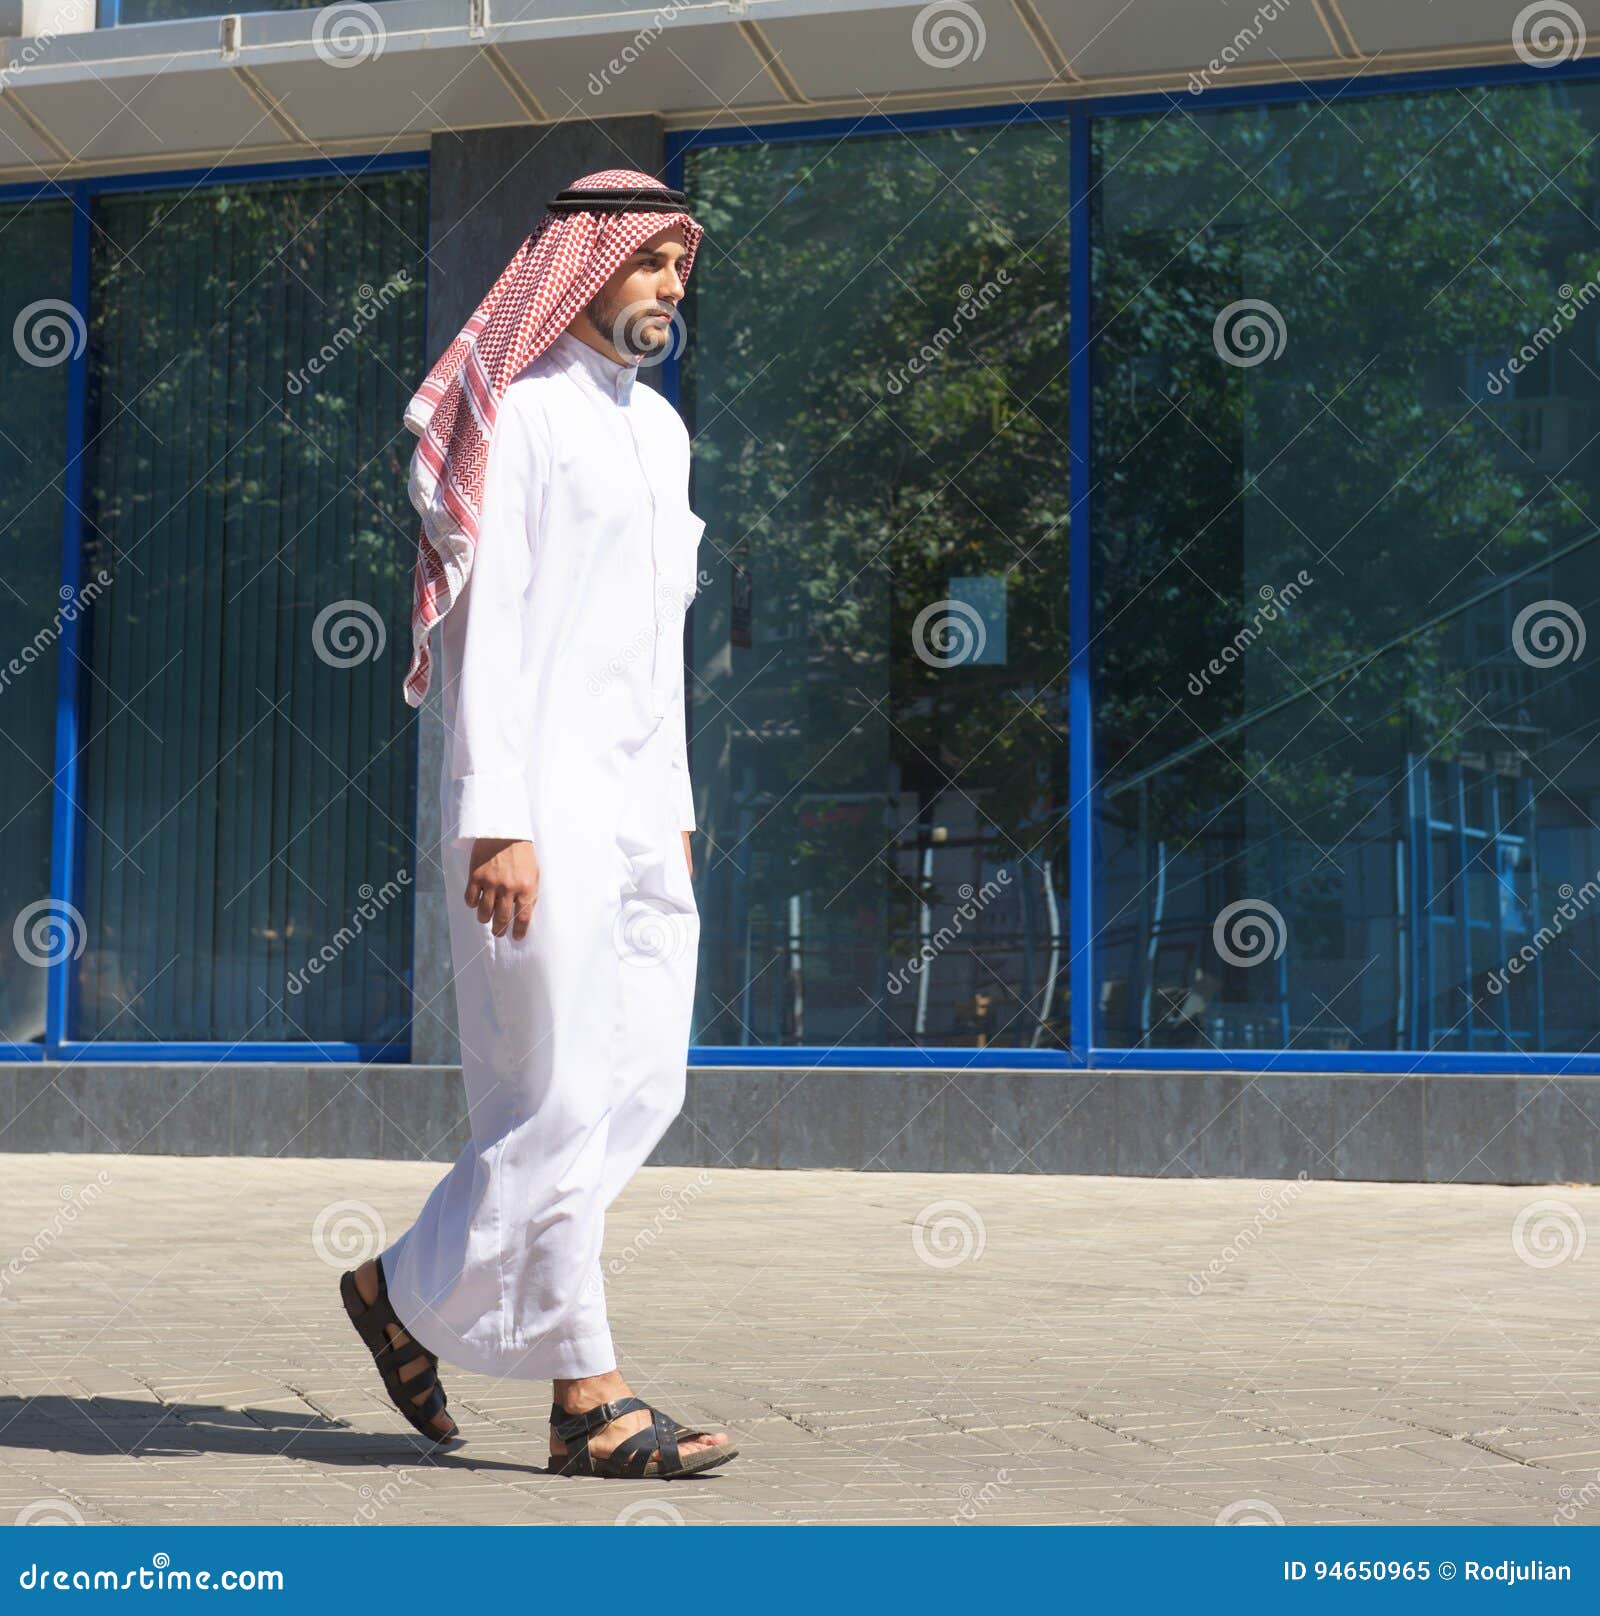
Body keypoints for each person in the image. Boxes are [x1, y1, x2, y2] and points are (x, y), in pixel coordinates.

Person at [338, 169, 737, 1481]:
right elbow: (486, 635)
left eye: (682, 268)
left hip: (637, 808)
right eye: (650, 264)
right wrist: (491, 816)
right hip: (539, 804)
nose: (671, 286)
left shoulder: (663, 436)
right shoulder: (521, 416)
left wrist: (677, 810)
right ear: (581, 271)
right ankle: (590, 1398)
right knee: (556, 1092)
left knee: (638, 1083)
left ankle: (405, 1291)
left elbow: (659, 654)